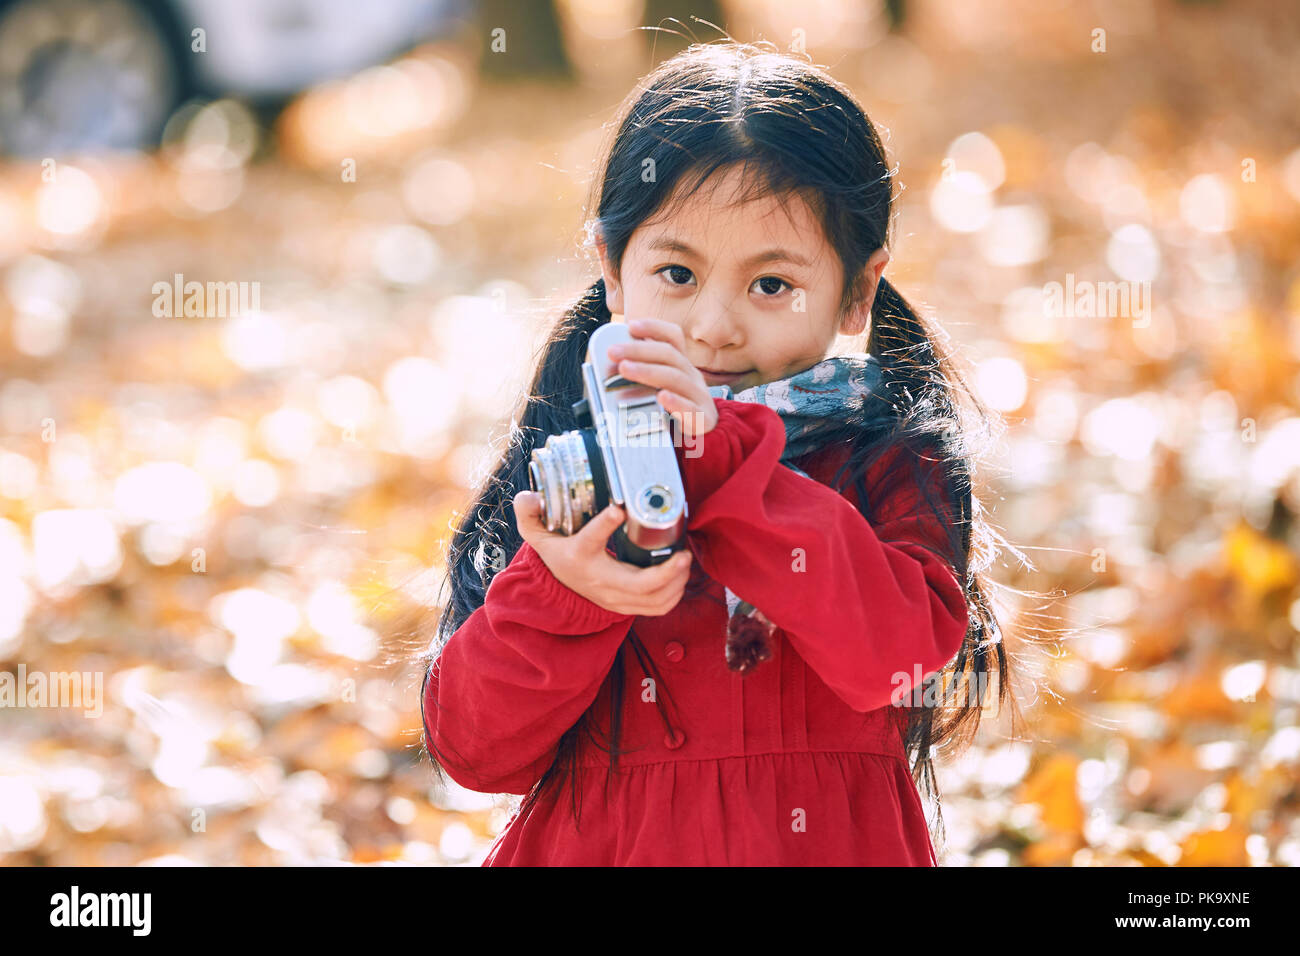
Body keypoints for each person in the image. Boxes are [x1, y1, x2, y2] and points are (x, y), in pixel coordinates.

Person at [419, 39, 1015, 866]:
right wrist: (568, 590)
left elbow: (897, 657)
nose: (714, 326)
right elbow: (477, 750)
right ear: (613, 272)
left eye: (772, 285)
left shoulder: (886, 457)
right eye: (677, 273)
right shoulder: (581, 465)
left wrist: (728, 457)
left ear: (857, 292)